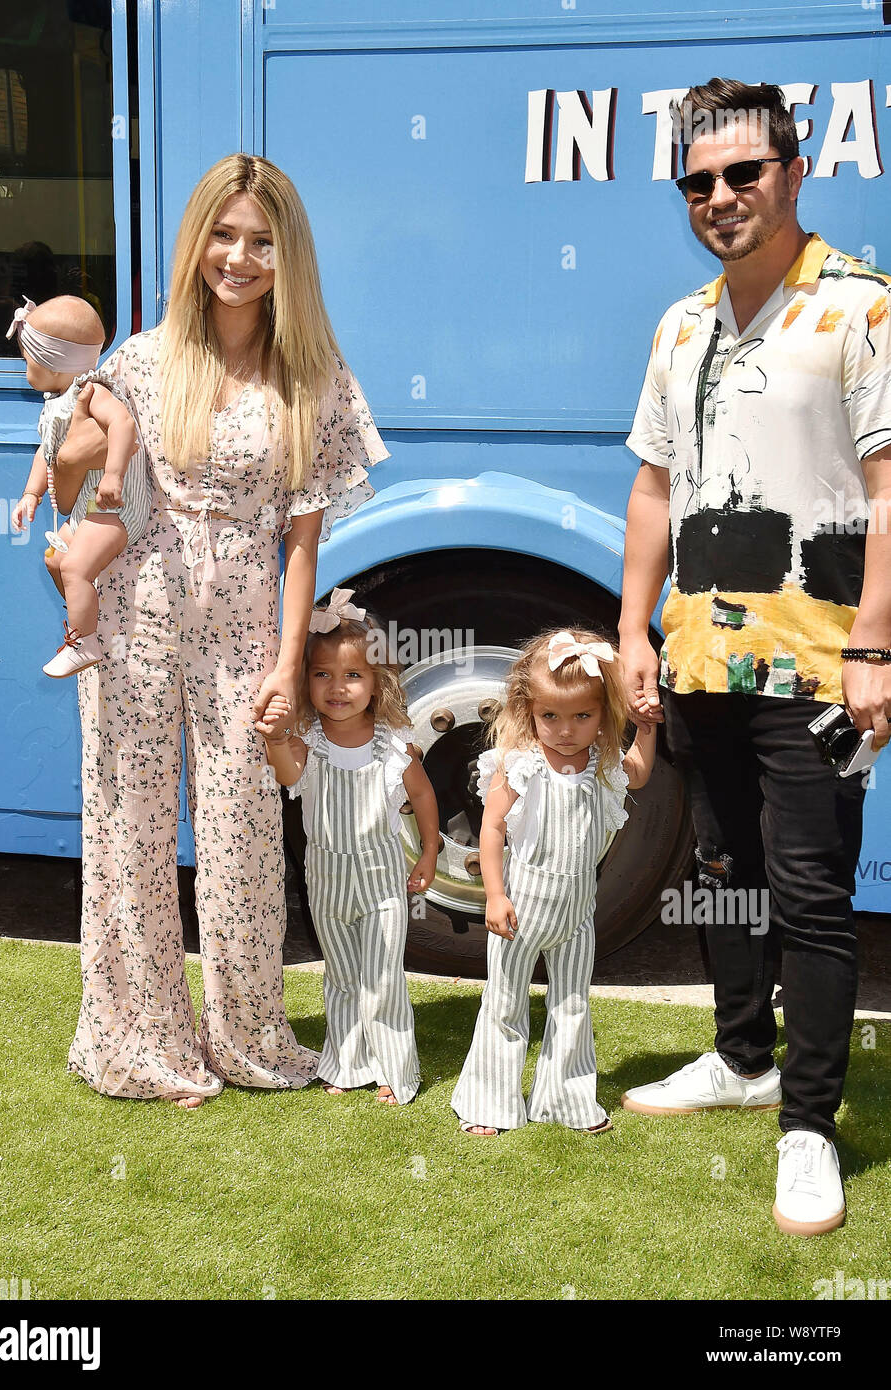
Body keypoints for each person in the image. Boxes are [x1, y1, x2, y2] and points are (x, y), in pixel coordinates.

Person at [618, 79, 891, 1234]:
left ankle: (810, 1127)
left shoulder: (864, 311)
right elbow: (653, 486)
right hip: (701, 662)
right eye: (699, 181)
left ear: (793, 172)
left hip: (822, 664)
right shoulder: (683, 324)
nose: (721, 197)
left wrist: (876, 641)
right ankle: (741, 1057)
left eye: (745, 174)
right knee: (725, 875)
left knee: (814, 897)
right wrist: (632, 627)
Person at [59, 154, 389, 1106]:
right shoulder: (142, 360)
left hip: (247, 625)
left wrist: (290, 662)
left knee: (244, 836)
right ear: (196, 241)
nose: (238, 258)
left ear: (289, 256)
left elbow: (303, 540)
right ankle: (143, 1042)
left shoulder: (316, 379)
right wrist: (74, 444)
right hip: (134, 618)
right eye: (224, 234)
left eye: (261, 240)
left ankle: (246, 1036)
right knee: (127, 824)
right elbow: (79, 482)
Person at [451, 628, 655, 1136]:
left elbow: (641, 773)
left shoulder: (603, 766)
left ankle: (566, 1099)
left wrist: (646, 729)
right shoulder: (520, 766)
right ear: (529, 711)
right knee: (504, 1002)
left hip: (576, 915)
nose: (566, 730)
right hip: (519, 912)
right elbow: (492, 829)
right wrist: (494, 896)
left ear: (604, 713)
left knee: (572, 1004)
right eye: (551, 717)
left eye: (582, 716)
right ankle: (488, 1102)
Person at [260, 590, 439, 1106]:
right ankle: (345, 1061)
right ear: (305, 681)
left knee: (383, 975)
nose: (337, 688)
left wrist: (428, 853)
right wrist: (275, 740)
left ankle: (394, 1068)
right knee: (341, 973)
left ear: (377, 681)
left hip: (381, 874)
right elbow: (289, 775)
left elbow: (422, 794)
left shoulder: (392, 744)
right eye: (322, 675)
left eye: (353, 676)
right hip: (327, 877)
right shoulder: (307, 740)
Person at [9, 294, 150, 677]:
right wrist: (31, 494)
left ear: (52, 362)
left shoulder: (91, 392)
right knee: (55, 561)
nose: (25, 368)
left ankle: (82, 641)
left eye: (27, 359)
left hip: (115, 506)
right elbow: (47, 453)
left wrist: (113, 474)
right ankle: (85, 619)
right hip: (92, 507)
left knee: (73, 566)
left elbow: (123, 426)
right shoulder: (56, 400)